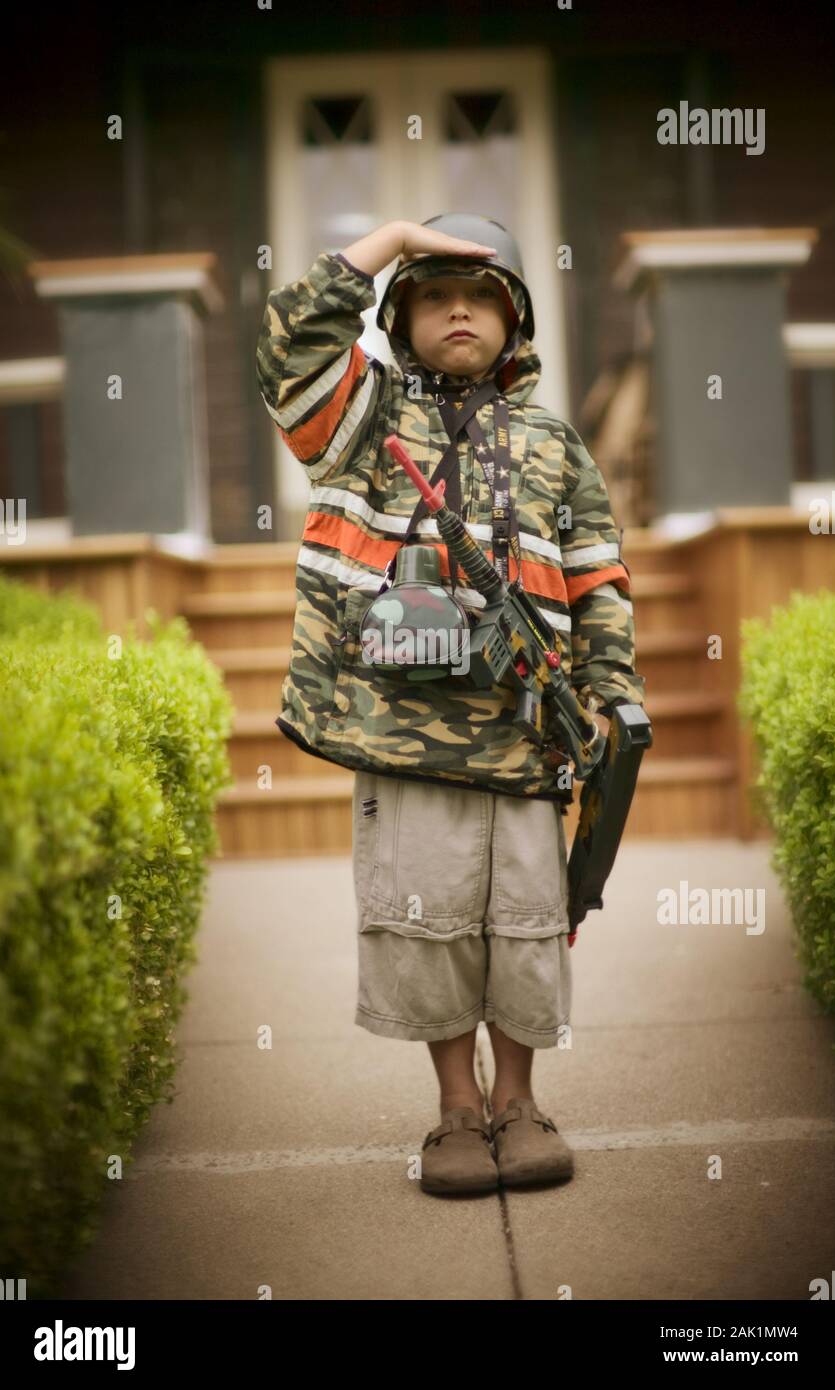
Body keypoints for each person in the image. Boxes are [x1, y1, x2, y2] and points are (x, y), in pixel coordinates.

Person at [255, 215, 646, 1194]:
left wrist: (614, 698)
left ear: (514, 323)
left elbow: (598, 580)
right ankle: (455, 1111)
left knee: (523, 922)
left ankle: (517, 1099)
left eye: (482, 295)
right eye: (433, 294)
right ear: (399, 316)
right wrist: (380, 243)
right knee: (422, 924)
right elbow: (288, 351)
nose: (460, 309)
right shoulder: (358, 422)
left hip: (526, 741)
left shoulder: (556, 444)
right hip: (401, 734)